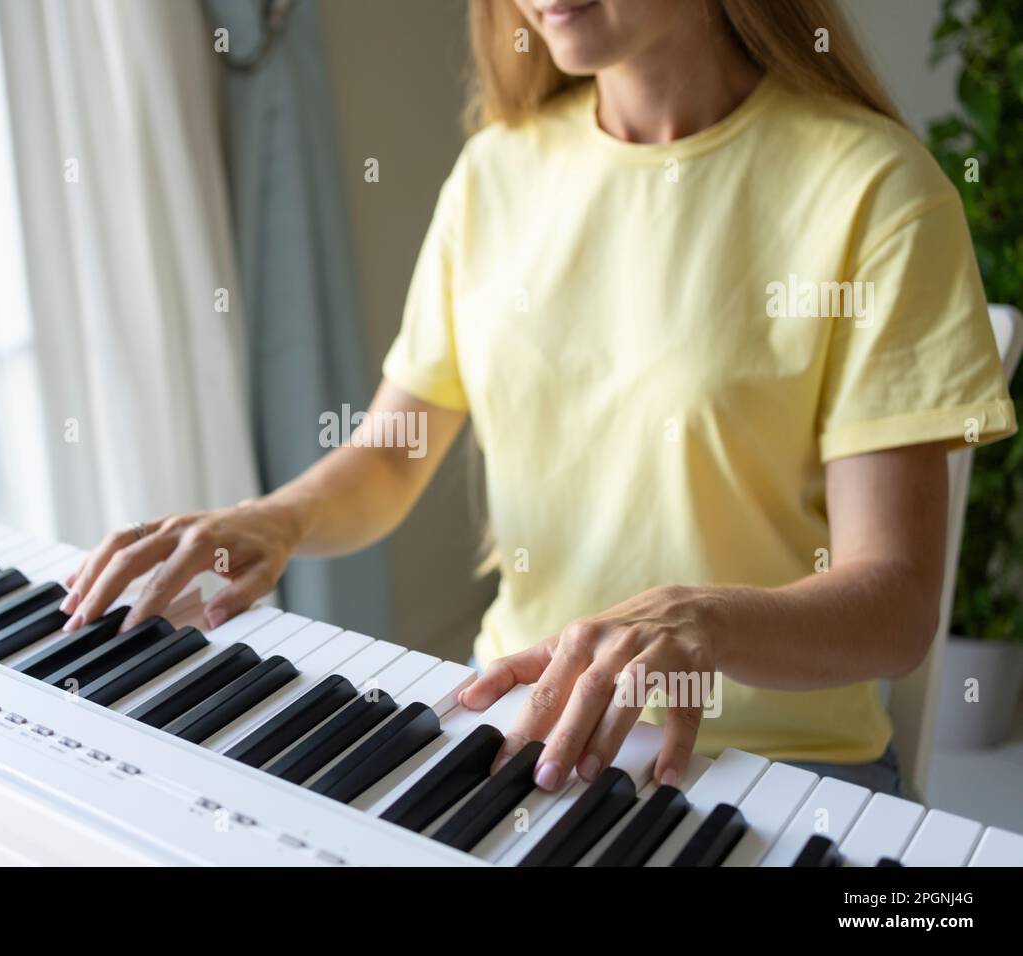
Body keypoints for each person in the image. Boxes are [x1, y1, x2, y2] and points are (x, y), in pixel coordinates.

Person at [59, 0, 1016, 797]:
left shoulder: (877, 192)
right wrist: (273, 519)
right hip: (523, 730)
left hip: (780, 768)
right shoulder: (494, 173)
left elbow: (892, 606)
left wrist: (704, 622)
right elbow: (394, 451)